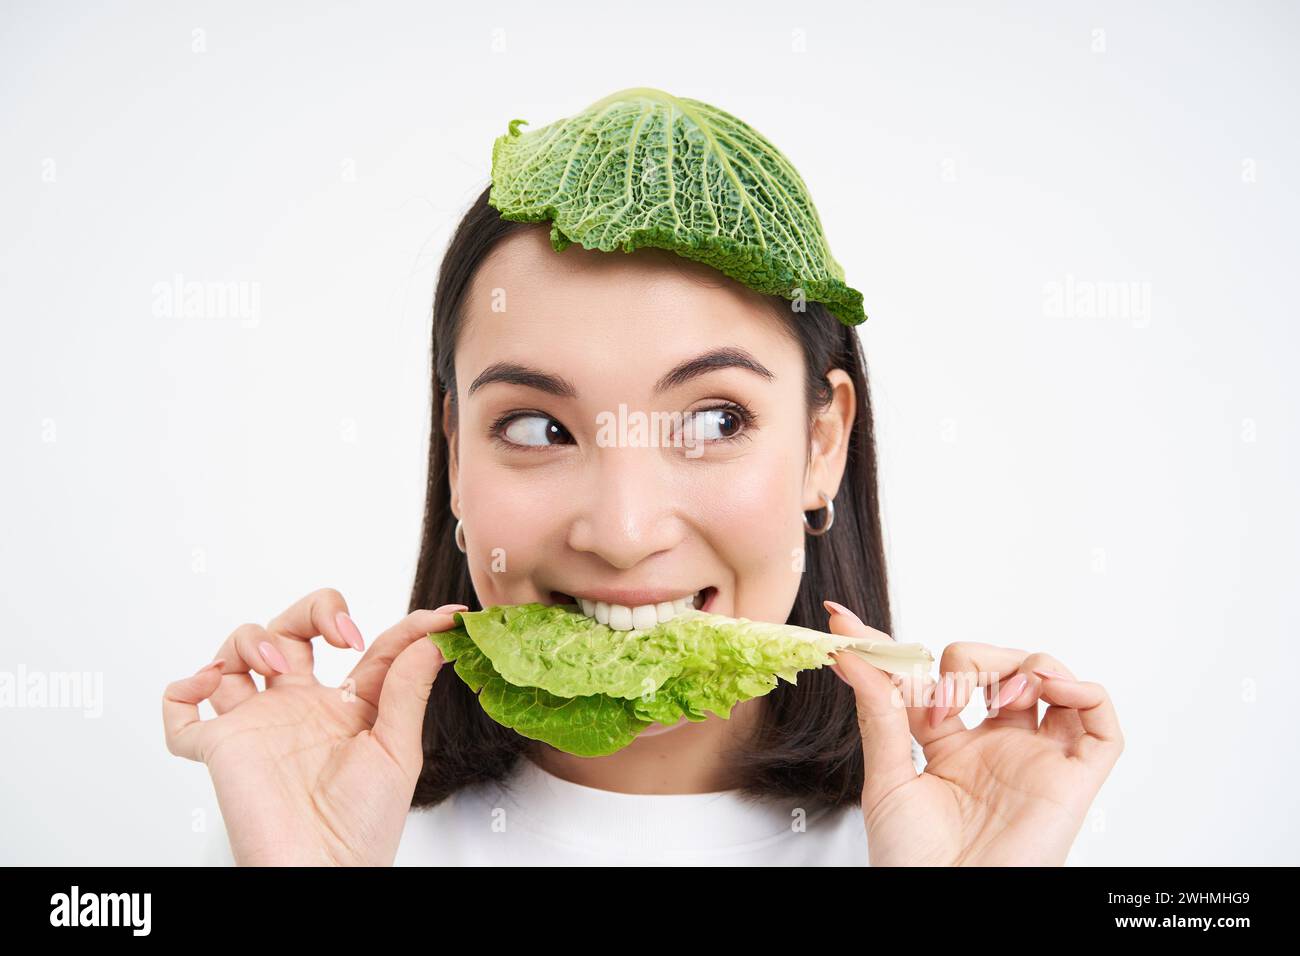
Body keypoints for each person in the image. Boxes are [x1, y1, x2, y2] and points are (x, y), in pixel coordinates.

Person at [164, 90, 1123, 866]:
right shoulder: (309, 831)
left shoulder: (979, 839)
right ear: (456, 449)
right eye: (538, 427)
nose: (622, 532)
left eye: (715, 421)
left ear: (822, 443)